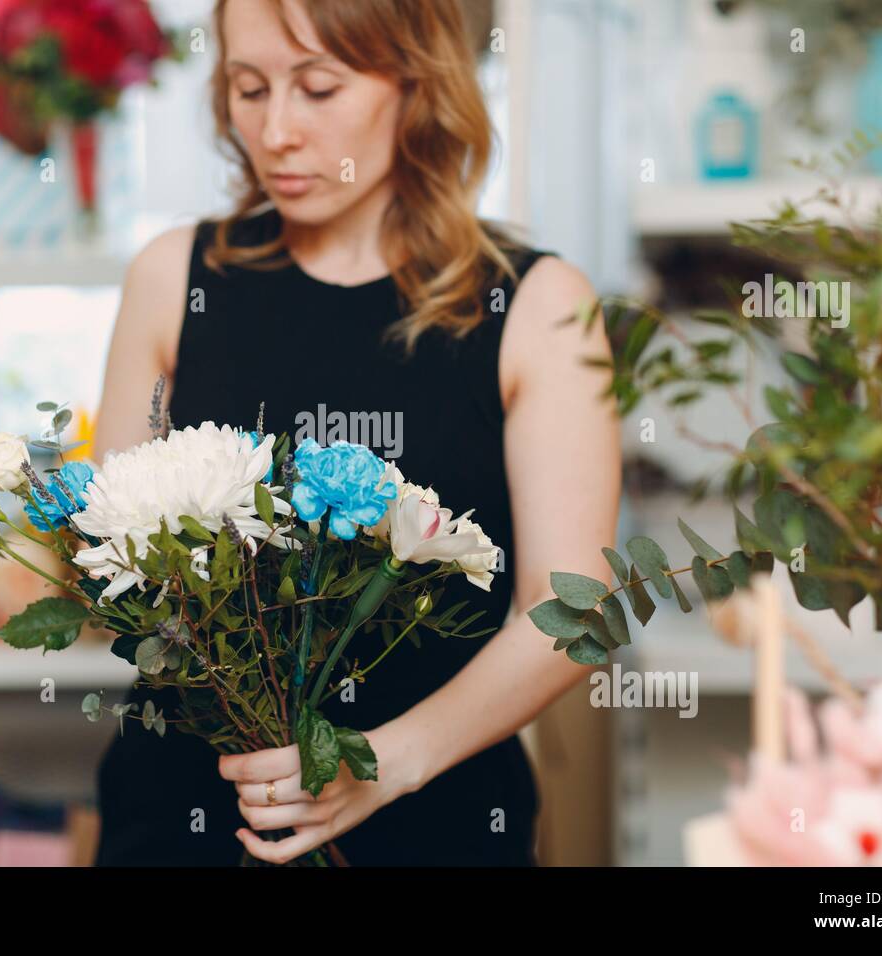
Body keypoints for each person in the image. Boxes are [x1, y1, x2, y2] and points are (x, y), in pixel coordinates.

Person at [89, 0, 620, 866]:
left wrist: (381, 766)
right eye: (249, 88)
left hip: (435, 822)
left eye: (319, 88)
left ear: (419, 83)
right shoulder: (173, 278)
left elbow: (575, 610)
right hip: (180, 817)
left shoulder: (537, 307)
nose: (278, 131)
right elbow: (118, 561)